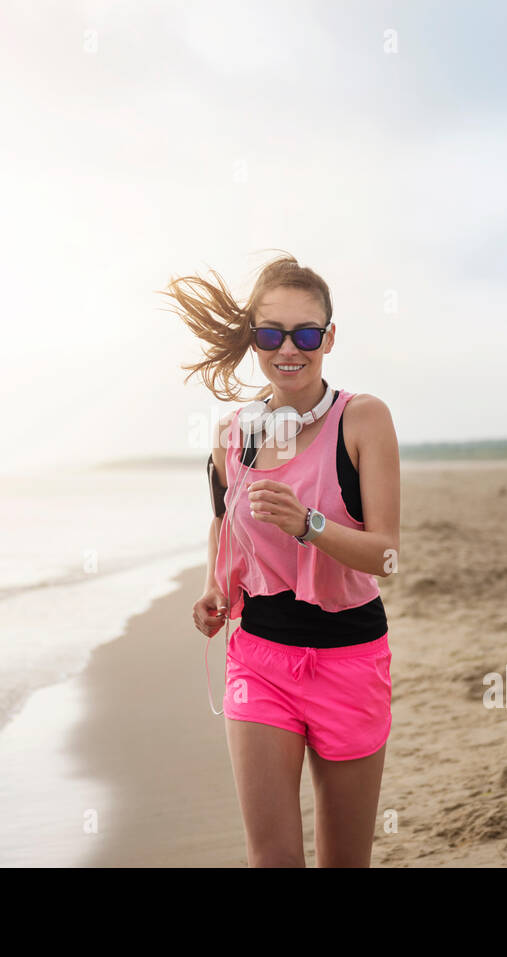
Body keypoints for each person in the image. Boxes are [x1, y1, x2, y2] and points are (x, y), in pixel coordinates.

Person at [161, 252, 401, 867]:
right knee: (272, 860)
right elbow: (223, 524)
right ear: (253, 340)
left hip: (349, 658)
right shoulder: (231, 435)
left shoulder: (363, 419)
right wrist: (214, 590)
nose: (288, 348)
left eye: (306, 334)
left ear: (329, 337)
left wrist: (309, 525)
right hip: (260, 655)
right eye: (271, 334)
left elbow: (388, 555)